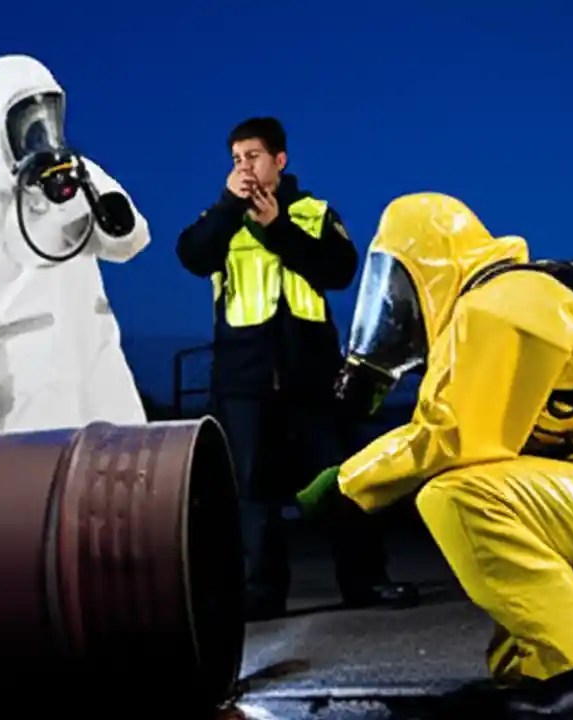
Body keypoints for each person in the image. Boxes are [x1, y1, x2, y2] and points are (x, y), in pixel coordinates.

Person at [297, 192, 573, 717]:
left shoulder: (500, 305)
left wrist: (347, 483)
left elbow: (453, 437)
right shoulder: (508, 300)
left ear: (430, 268)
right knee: (519, 664)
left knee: (458, 494)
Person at [175, 116, 415, 620]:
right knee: (252, 494)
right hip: (244, 381)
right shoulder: (217, 218)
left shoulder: (313, 212)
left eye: (253, 157)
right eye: (237, 159)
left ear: (279, 161)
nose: (245, 167)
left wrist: (277, 228)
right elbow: (193, 257)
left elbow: (340, 270)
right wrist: (227, 208)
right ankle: (261, 593)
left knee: (339, 480)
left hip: (311, 377)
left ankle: (365, 581)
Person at [0, 53, 150, 435]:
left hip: (97, 358)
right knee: (33, 478)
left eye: (48, 114)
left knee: (119, 470)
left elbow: (129, 244)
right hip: (22, 374)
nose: (40, 128)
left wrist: (121, 220)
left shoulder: (81, 174)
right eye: (27, 117)